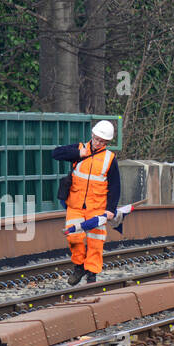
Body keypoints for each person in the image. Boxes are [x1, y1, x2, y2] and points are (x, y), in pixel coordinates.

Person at [52, 120, 121, 284]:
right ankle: (79, 266)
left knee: (95, 243)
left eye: (102, 141)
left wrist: (111, 209)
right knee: (74, 237)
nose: (98, 143)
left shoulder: (109, 159)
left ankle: (91, 273)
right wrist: (78, 154)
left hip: (97, 208)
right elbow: (56, 154)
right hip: (75, 205)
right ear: (92, 135)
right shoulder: (79, 149)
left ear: (107, 142)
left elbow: (115, 185)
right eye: (96, 139)